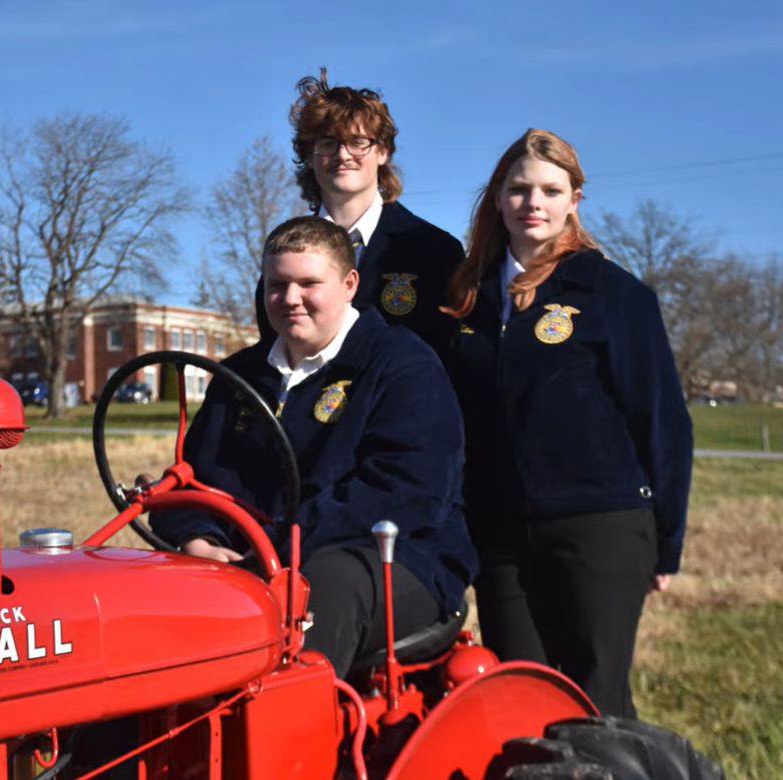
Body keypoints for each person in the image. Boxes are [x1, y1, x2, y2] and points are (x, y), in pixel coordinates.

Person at [155, 216, 477, 679]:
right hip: (258, 559)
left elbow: (408, 490)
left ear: (349, 285)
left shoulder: (402, 364)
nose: (290, 299)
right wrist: (199, 539)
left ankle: (288, 721)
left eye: (308, 284)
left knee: (322, 586)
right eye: (276, 285)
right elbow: (197, 476)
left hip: (396, 559)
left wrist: (280, 544)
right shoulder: (239, 376)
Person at [443, 129, 693, 718]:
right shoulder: (467, 299)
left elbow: (663, 423)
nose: (533, 202)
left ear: (574, 200)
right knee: (521, 701)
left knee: (595, 704)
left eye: (551, 190)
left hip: (599, 526)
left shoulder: (613, 295)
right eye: (519, 189)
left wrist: (667, 543)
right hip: (501, 537)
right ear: (497, 198)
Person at [254, 69, 464, 357]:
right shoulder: (282, 255)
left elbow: (448, 360)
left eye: (357, 142)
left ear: (383, 152)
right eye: (328, 143)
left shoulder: (435, 250)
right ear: (309, 155)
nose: (343, 155)